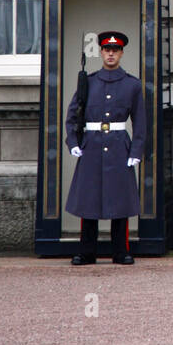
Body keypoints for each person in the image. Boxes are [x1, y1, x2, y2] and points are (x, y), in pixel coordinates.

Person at [64, 31, 147, 266]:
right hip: (91, 145)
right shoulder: (88, 82)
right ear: (101, 52)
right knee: (88, 202)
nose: (111, 54)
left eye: (115, 50)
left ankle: (120, 251)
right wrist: (73, 143)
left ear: (121, 53)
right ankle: (87, 251)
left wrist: (136, 152)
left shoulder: (132, 85)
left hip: (119, 145)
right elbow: (72, 116)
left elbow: (140, 122)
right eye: (107, 50)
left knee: (119, 202)